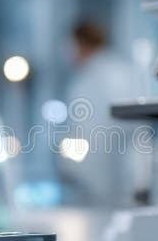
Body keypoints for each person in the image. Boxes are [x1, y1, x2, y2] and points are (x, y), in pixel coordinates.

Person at [62, 21, 150, 207]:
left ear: (82, 43)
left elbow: (130, 123)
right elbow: (79, 129)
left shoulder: (115, 73)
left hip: (116, 177)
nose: (69, 53)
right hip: (92, 180)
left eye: (72, 45)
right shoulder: (84, 78)